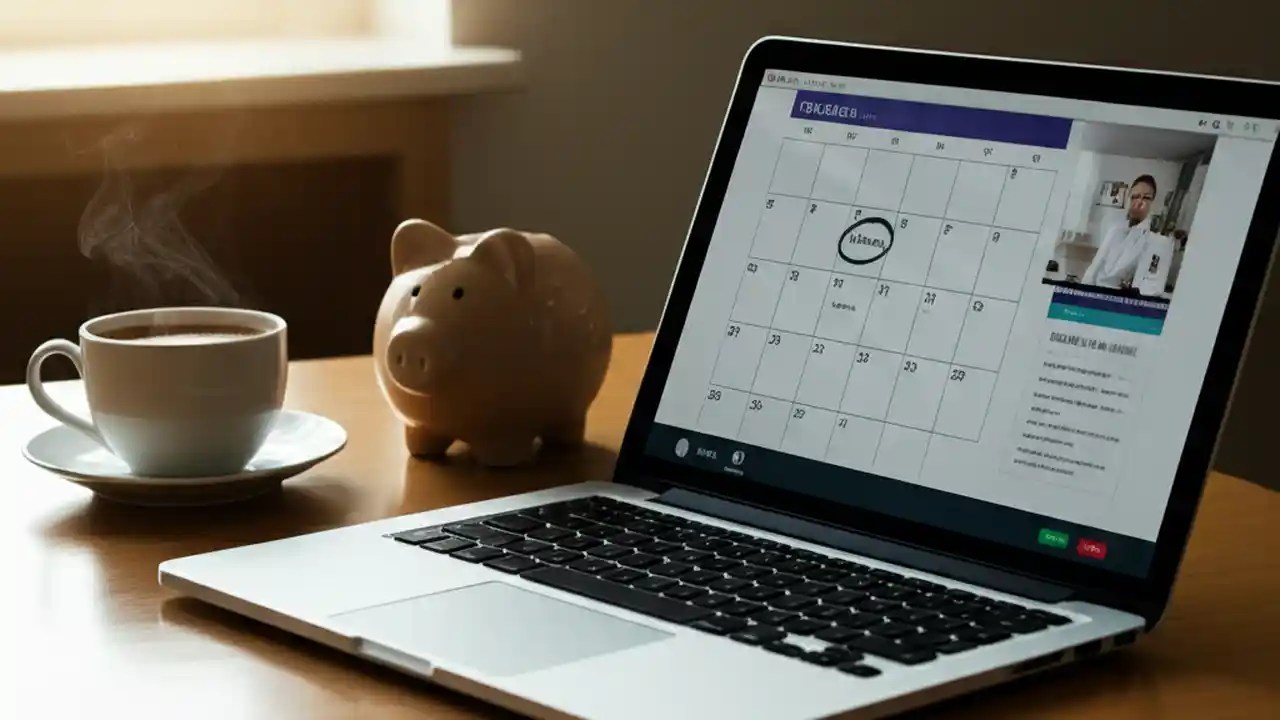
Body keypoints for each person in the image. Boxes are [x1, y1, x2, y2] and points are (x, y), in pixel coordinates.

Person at [1081, 174, 1161, 290]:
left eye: (1146, 198)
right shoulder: (1115, 228)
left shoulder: (1152, 239)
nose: (1139, 202)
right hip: (1096, 290)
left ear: (1152, 202)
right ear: (1129, 198)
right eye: (1135, 196)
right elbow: (1096, 264)